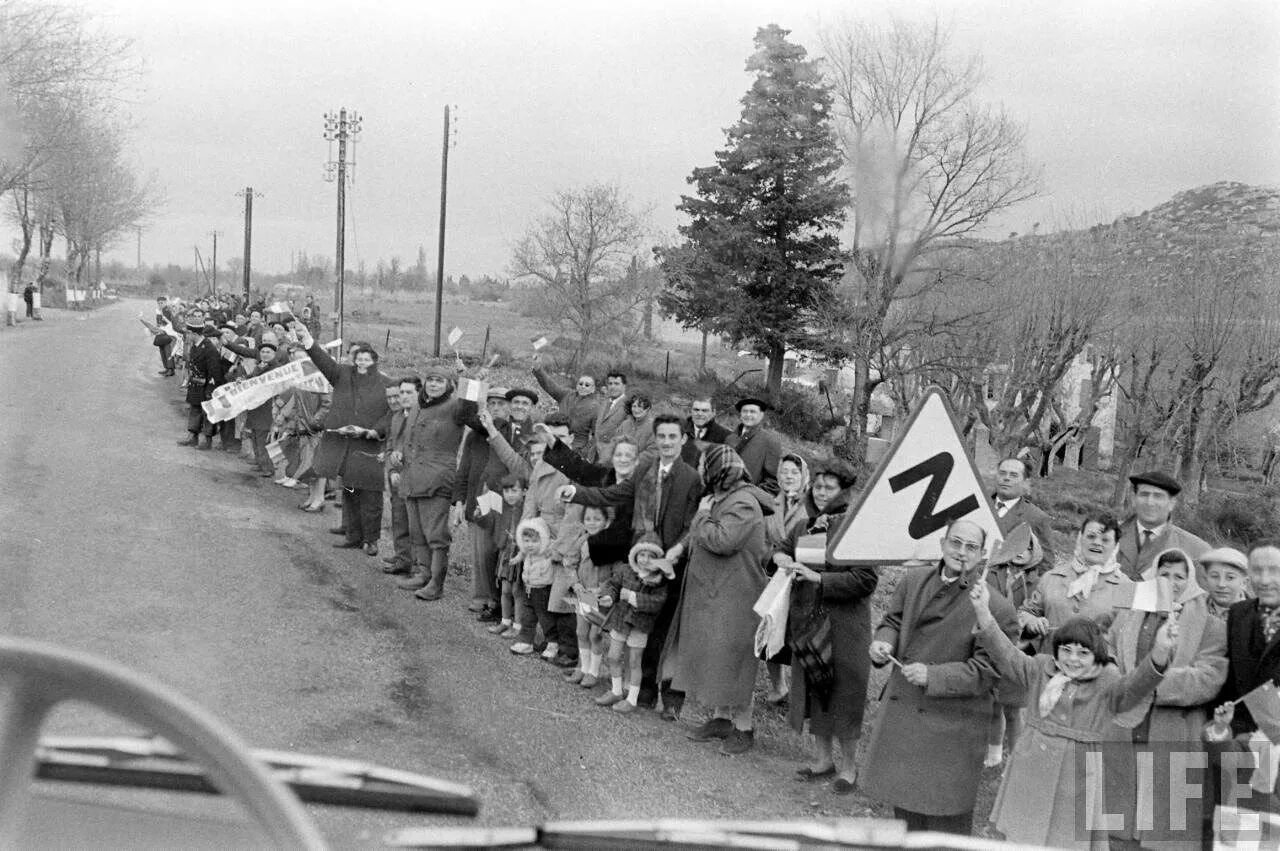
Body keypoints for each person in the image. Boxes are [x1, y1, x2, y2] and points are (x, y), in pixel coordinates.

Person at [968, 580, 1177, 849]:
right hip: (1031, 769)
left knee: (1067, 841)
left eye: (1083, 652)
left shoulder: (1107, 680)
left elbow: (1137, 686)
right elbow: (1007, 655)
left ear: (1097, 654)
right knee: (1023, 838)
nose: (1072, 659)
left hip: (1077, 775)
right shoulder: (1041, 668)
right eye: (1066, 650)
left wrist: (1160, 651)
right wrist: (983, 611)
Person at [862, 518, 1018, 836]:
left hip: (953, 730)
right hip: (905, 715)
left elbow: (988, 671)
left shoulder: (997, 607)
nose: (961, 552)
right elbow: (894, 618)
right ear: (942, 544)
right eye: (955, 543)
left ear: (982, 554)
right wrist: (884, 641)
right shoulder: (914, 580)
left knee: (945, 823)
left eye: (971, 547)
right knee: (905, 814)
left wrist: (933, 675)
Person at [556, 414, 702, 718]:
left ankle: (669, 700)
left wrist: (675, 551)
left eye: (672, 437)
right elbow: (613, 493)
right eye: (661, 436)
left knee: (664, 630)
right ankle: (643, 693)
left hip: (671, 562)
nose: (666, 442)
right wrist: (578, 493)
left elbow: (693, 524)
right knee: (637, 624)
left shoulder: (691, 477)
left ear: (683, 440)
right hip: (641, 559)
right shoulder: (645, 471)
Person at [1107, 547, 1227, 850]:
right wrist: (1120, 680)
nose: (1170, 582)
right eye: (1164, 574)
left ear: (1189, 582)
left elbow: (1208, 678)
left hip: (1173, 730)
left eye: (1179, 576)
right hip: (1124, 725)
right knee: (1118, 819)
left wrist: (1147, 682)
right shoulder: (1128, 616)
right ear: (1153, 576)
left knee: (1165, 825)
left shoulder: (1211, 626)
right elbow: (1108, 653)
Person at [771, 461, 876, 794]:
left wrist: (820, 578)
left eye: (829, 487)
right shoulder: (804, 525)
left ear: (843, 492)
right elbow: (780, 552)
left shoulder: (855, 528)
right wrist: (780, 559)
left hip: (845, 626)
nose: (821, 492)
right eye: (817, 486)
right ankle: (821, 760)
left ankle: (848, 768)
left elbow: (866, 579)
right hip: (809, 621)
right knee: (815, 691)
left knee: (843, 694)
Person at [665, 444, 775, 754]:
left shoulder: (743, 504)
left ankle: (744, 728)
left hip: (736, 595)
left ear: (719, 471)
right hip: (721, 592)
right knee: (719, 659)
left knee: (735, 663)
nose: (701, 471)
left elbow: (721, 540)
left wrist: (700, 516)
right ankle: (721, 719)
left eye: (704, 466)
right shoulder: (728, 497)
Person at [297, 324, 390, 557]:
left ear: (375, 360)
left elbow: (391, 413)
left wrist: (372, 431)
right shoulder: (341, 374)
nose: (362, 363)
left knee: (370, 495)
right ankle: (352, 535)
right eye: (358, 358)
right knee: (348, 490)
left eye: (367, 359)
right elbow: (322, 360)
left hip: (367, 446)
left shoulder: (387, 383)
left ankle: (371, 540)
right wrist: (307, 340)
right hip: (342, 445)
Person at [394, 361, 481, 600]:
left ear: (450, 386)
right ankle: (422, 574)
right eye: (430, 379)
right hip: (412, 479)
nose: (433, 384)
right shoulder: (418, 405)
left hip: (436, 481)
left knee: (436, 535)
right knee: (417, 531)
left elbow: (469, 409)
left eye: (439, 380)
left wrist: (471, 379)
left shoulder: (455, 407)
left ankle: (436, 583)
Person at [1209, 540, 1280, 817]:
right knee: (1237, 833)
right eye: (1257, 570)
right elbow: (1229, 682)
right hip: (1241, 743)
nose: (1265, 580)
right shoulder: (1238, 615)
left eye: (1274, 571)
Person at [1019, 512, 1135, 652]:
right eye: (1091, 536)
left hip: (1096, 669)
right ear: (1080, 538)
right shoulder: (1052, 577)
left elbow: (1127, 639)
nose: (1097, 543)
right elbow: (1026, 612)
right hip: (1048, 665)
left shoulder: (1127, 587)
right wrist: (1032, 622)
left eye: (1105, 540)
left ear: (1116, 545)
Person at [595, 541, 675, 713]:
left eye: (650, 557)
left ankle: (631, 699)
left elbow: (657, 603)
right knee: (613, 656)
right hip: (620, 620)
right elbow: (613, 586)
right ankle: (616, 691)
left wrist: (632, 597)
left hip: (640, 625)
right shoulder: (626, 570)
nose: (644, 560)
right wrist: (609, 597)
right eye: (641, 555)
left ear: (657, 560)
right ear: (635, 556)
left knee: (634, 662)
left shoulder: (659, 580)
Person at [455, 387, 510, 616]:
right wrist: (458, 501)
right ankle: (480, 596)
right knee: (478, 551)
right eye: (492, 403)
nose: (496, 408)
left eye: (501, 403)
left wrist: (472, 382)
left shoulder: (508, 431)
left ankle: (494, 600)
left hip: (498, 501)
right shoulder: (475, 434)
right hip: (475, 499)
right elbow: (463, 470)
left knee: (491, 552)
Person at [1116, 471, 1210, 582]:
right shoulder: (1108, 535)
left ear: (1171, 503)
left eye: (1158, 496)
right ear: (1133, 498)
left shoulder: (1197, 549)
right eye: (1144, 494)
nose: (1150, 502)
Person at [378, 378, 416, 573]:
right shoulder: (396, 417)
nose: (401, 398)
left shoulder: (420, 417)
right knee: (399, 516)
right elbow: (391, 445)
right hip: (397, 476)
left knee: (414, 520)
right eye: (400, 393)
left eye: (408, 393)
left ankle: (415, 562)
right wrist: (392, 470)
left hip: (415, 476)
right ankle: (402, 557)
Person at [531, 356, 598, 453]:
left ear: (593, 389)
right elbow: (550, 385)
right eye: (581, 383)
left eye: (587, 385)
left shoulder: (596, 407)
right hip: (555, 443)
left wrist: (584, 452)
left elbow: (597, 435)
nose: (583, 386)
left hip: (576, 449)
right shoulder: (566, 395)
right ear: (577, 385)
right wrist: (538, 369)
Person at [177, 327, 228, 450]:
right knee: (195, 409)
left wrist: (210, 388)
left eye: (188, 333)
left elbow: (215, 370)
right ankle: (192, 436)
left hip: (207, 385)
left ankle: (207, 439)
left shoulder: (209, 348)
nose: (187, 336)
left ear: (194, 334)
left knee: (207, 413)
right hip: (195, 384)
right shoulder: (195, 345)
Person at [727, 397, 781, 495]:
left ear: (761, 415)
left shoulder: (770, 442)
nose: (748, 415)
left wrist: (749, 497)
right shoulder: (729, 439)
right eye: (745, 411)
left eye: (752, 412)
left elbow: (772, 483)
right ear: (740, 414)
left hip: (747, 503)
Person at [1201, 546, 1250, 619]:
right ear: (1206, 579)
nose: (1221, 584)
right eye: (1215, 576)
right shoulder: (1193, 610)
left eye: (1230, 578)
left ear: (1244, 583)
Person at [592, 371, 630, 463]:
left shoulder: (628, 405)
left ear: (624, 386)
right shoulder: (605, 402)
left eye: (616, 384)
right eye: (610, 383)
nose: (612, 387)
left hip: (613, 456)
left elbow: (628, 433)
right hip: (596, 452)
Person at [681, 397, 731, 466]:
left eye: (704, 411)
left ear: (713, 412)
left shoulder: (725, 436)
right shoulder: (678, 430)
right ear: (690, 411)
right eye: (696, 410)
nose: (699, 414)